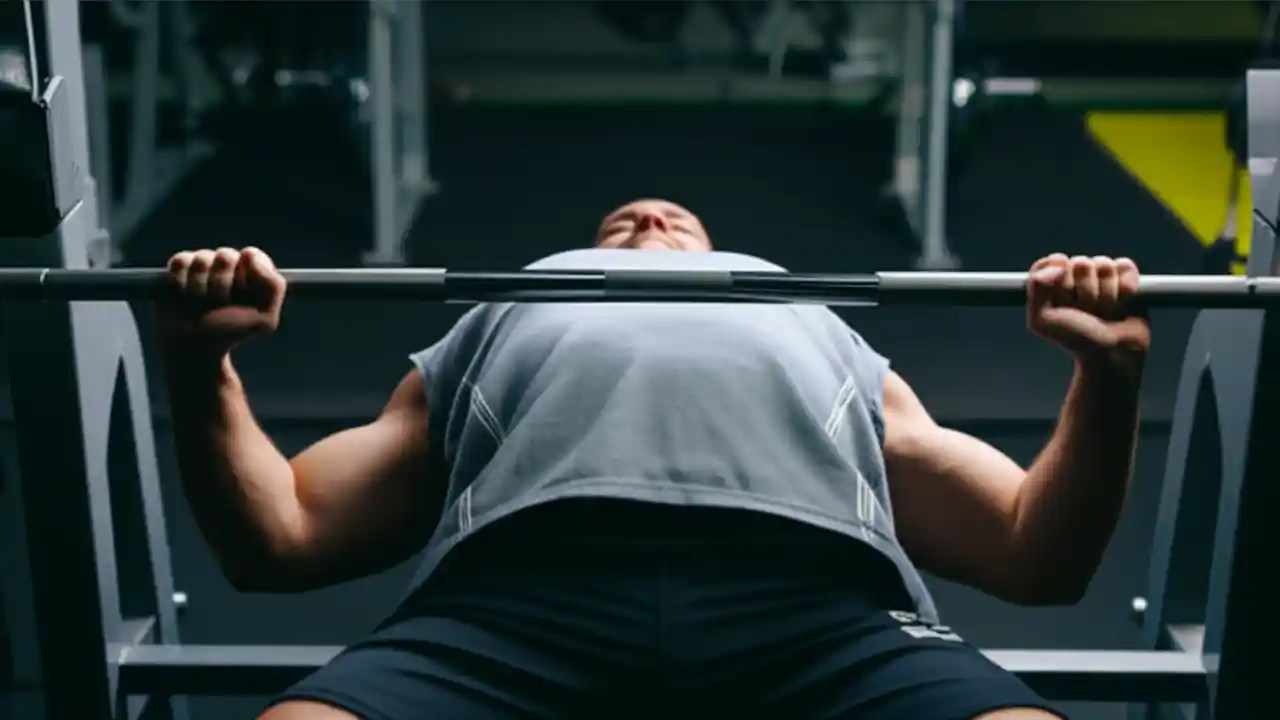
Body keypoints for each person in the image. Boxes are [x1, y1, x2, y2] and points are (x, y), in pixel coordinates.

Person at [156, 198, 1148, 720]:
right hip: (510, 610)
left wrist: (1107, 378)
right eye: (620, 223)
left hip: (813, 612)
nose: (645, 223)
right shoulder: (507, 310)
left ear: (721, 252)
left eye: (671, 219)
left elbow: (1033, 554)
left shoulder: (811, 321)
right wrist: (203, 363)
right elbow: (279, 535)